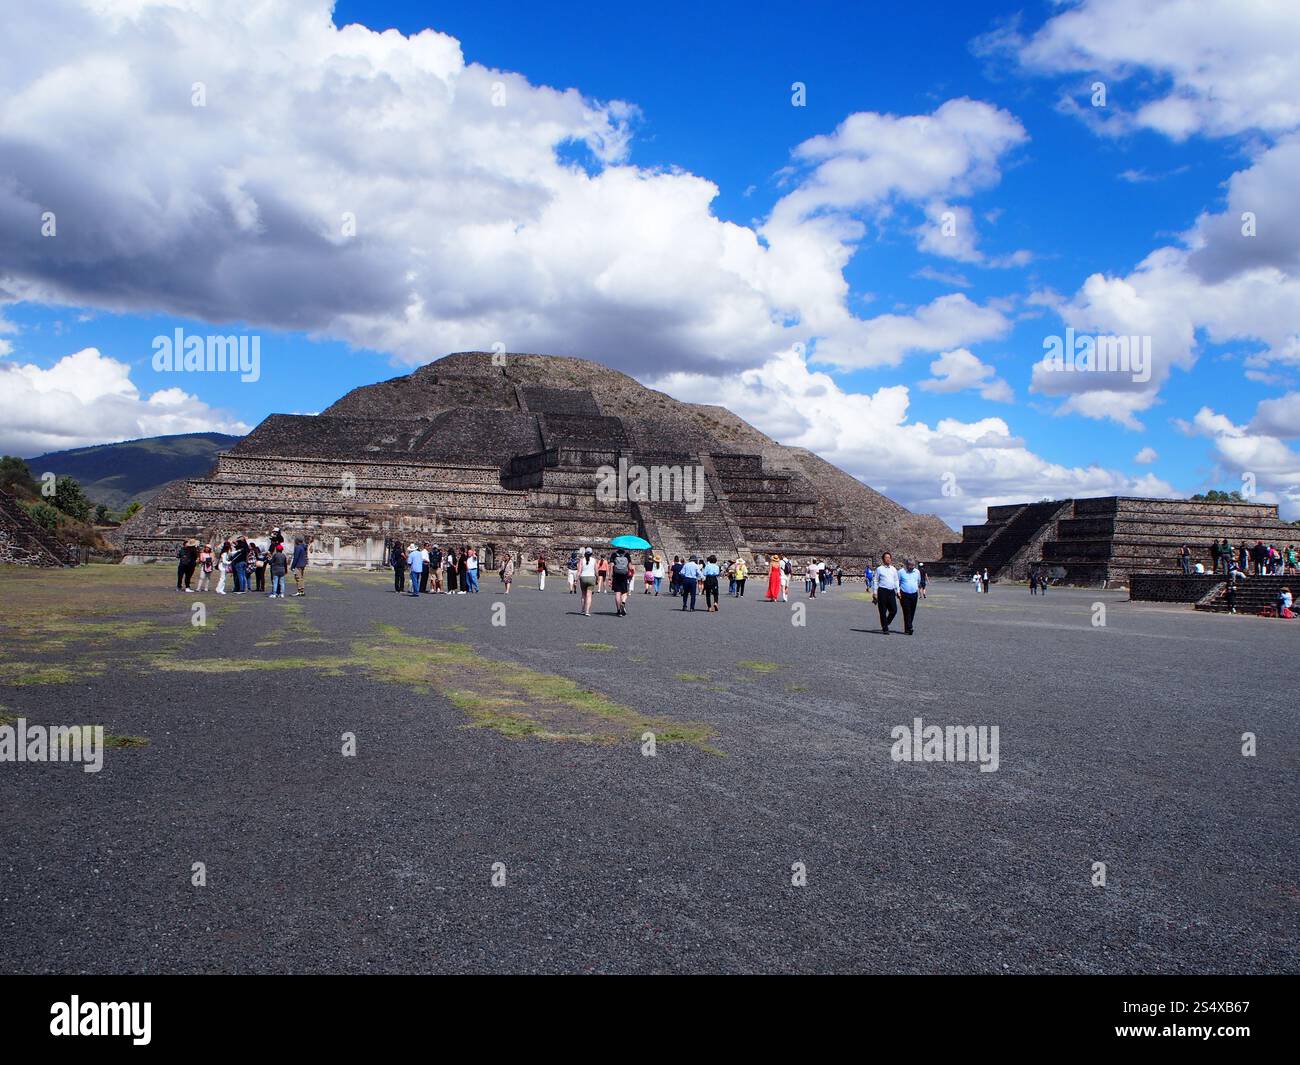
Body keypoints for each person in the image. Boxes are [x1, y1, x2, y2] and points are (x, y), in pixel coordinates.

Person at [873, 551, 900, 634]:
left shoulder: (893, 569)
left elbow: (896, 580)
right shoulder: (879, 569)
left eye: (889, 557)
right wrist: (875, 592)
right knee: (882, 611)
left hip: (891, 591)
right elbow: (875, 580)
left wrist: (898, 591)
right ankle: (885, 628)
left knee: (894, 610)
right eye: (886, 557)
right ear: (883, 559)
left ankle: (886, 622)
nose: (888, 559)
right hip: (882, 591)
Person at [898, 558, 922, 635]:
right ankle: (910, 627)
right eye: (910, 565)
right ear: (907, 565)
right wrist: (897, 592)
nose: (912, 567)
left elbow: (918, 581)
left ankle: (907, 629)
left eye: (913, 565)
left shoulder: (917, 572)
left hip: (914, 594)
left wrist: (920, 591)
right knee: (907, 611)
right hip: (904, 594)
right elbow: (897, 582)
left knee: (912, 611)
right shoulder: (901, 572)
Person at [610, 547, 632, 616]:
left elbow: (611, 566)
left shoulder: (614, 554)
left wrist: (610, 577)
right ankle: (623, 602)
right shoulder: (627, 555)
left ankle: (618, 610)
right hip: (624, 575)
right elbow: (630, 567)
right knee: (624, 592)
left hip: (616, 575)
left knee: (617, 592)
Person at [578, 547, 597, 616]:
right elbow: (596, 571)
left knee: (583, 594)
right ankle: (587, 611)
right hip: (591, 578)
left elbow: (579, 570)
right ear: (591, 553)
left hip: (583, 577)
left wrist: (576, 579)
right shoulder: (594, 560)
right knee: (589, 595)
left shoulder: (581, 560)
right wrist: (597, 578)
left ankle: (582, 610)